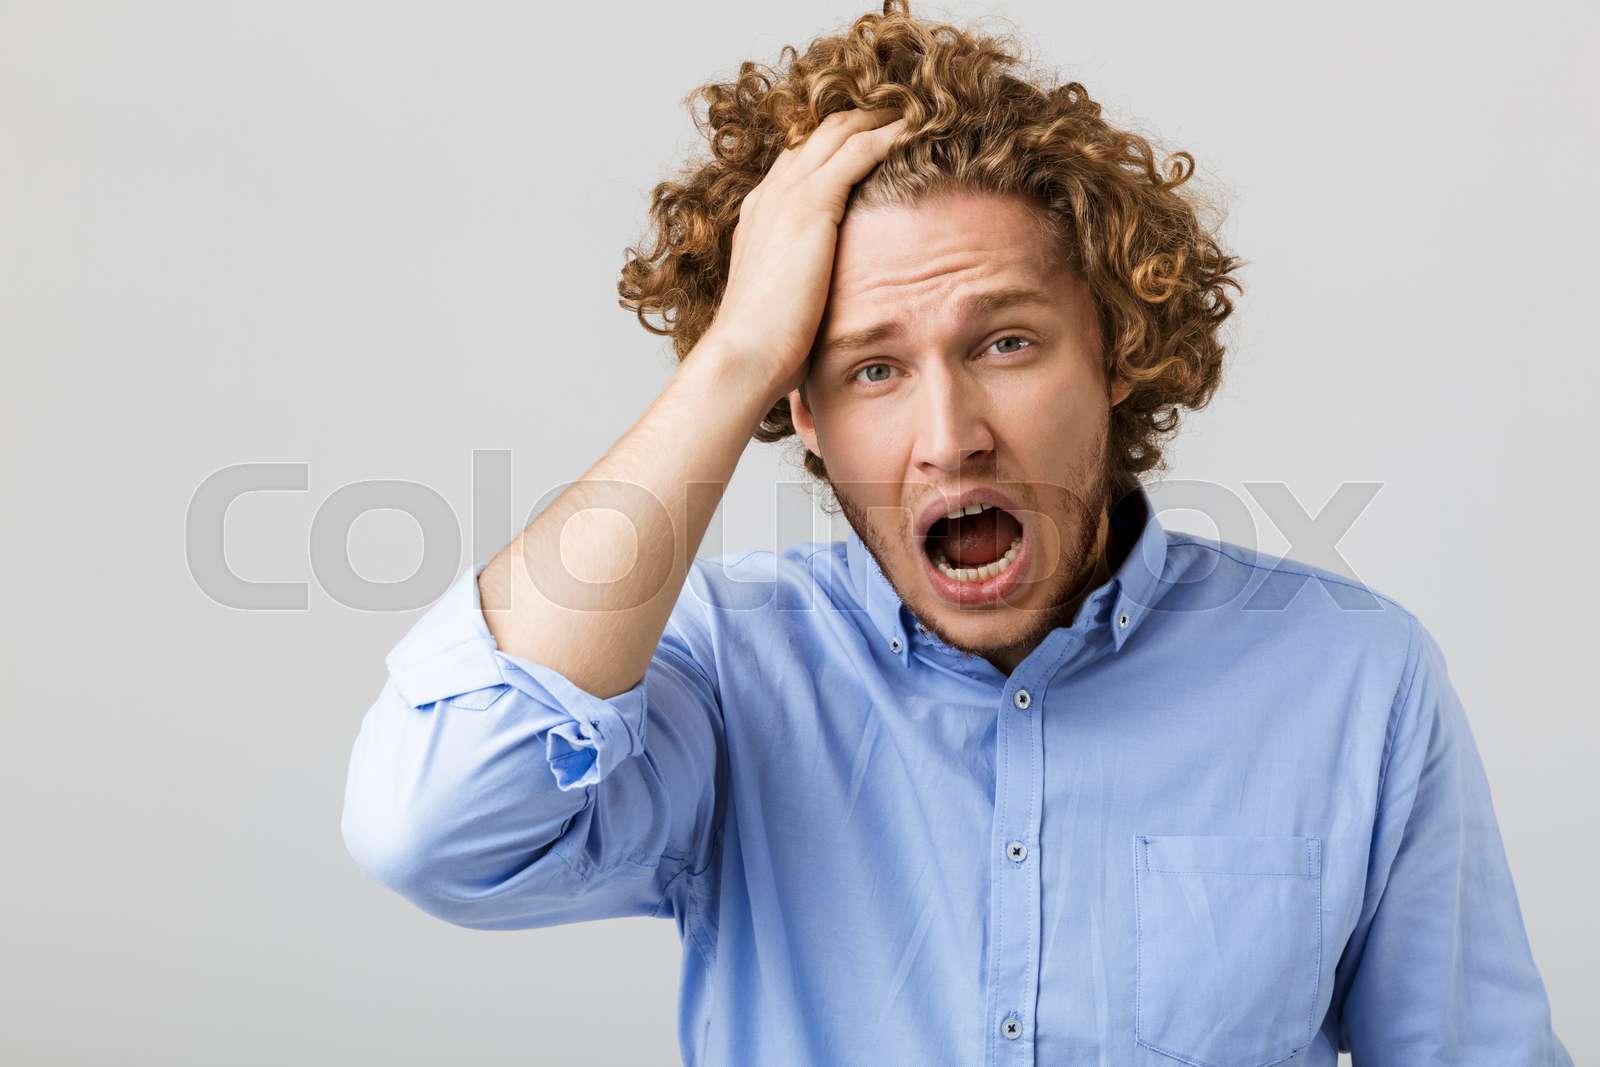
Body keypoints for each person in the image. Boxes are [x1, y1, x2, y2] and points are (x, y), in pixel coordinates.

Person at [339, 2, 1572, 1063]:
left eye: (1005, 342)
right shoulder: (723, 670)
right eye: (869, 369)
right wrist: (734, 357)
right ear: (802, 415)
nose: (950, 435)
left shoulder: (1354, 679)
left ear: (1116, 354)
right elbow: (437, 823)